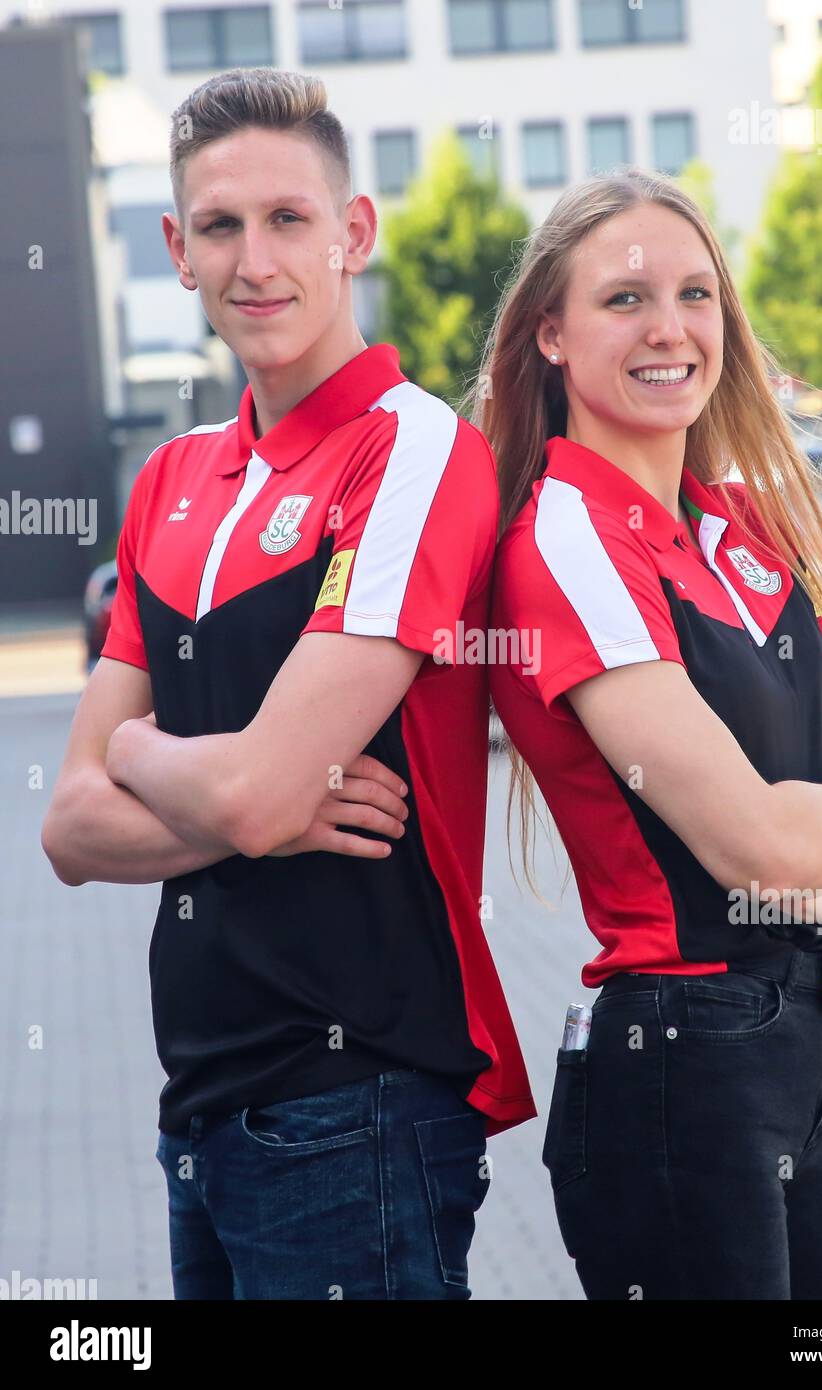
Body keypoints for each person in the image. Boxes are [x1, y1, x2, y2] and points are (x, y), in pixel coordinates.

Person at [41, 67, 534, 1301]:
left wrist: (148, 753)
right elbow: (67, 827)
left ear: (353, 231)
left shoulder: (415, 449)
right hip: (199, 1115)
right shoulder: (168, 481)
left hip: (358, 1106)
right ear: (176, 250)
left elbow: (243, 798)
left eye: (288, 220)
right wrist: (238, 786)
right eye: (219, 226)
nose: (254, 260)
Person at [472, 169, 822, 1300]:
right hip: (682, 1061)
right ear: (551, 330)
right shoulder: (566, 546)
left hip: (811, 1033)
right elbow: (768, 846)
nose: (671, 328)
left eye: (696, 294)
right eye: (626, 298)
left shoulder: (753, 525)